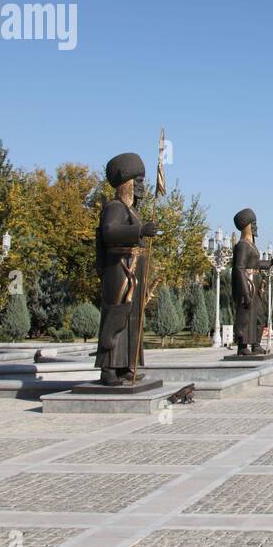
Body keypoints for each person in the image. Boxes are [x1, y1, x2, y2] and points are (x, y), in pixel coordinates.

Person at [94, 152, 159, 386]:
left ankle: (124, 366)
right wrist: (139, 231)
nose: (142, 186)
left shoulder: (133, 211)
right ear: (125, 182)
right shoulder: (115, 207)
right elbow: (109, 232)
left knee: (132, 318)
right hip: (120, 269)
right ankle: (108, 368)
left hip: (133, 269)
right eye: (138, 181)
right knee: (117, 315)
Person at [231, 208, 273, 356]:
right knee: (245, 317)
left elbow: (256, 264)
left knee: (259, 316)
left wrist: (271, 263)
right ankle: (242, 346)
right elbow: (239, 268)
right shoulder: (242, 245)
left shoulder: (251, 245)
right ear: (246, 226)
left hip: (256, 284)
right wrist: (245, 292)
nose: (256, 227)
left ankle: (256, 345)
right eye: (253, 224)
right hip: (247, 283)